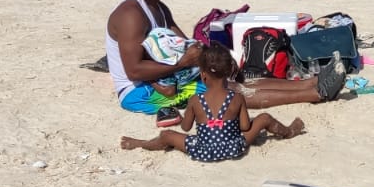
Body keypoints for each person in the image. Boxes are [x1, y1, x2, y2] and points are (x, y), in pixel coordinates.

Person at [105, 0, 344, 117]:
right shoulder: (131, 15)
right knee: (226, 91)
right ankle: (313, 94)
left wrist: (216, 58)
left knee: (231, 76)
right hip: (139, 92)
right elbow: (134, 70)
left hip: (167, 75)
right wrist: (183, 64)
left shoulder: (158, 8)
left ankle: (310, 83)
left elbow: (188, 44)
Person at [120, 43, 304, 156]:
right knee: (264, 118)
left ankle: (139, 143)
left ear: (203, 76)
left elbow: (185, 128)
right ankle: (288, 132)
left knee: (167, 136)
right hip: (234, 146)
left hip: (202, 150)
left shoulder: (195, 100)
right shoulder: (237, 97)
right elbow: (245, 127)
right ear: (227, 75)